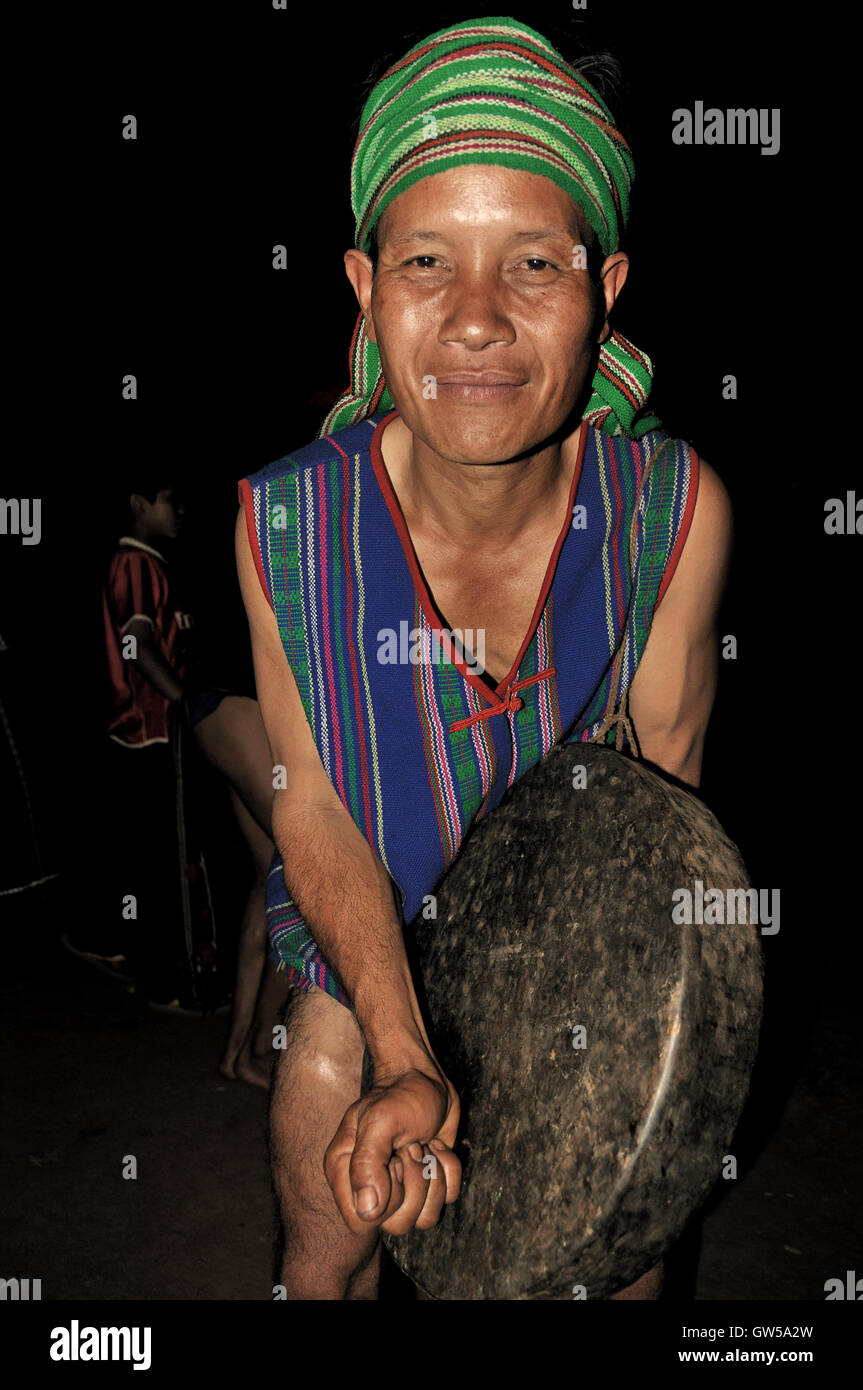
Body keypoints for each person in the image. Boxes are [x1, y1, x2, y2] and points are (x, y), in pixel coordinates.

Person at [236, 16, 732, 1299]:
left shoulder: (670, 517)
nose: (473, 321)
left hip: (561, 953)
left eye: (530, 264)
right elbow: (316, 811)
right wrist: (405, 1045)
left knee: (612, 1249)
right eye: (422, 262)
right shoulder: (286, 524)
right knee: (329, 1187)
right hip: (371, 942)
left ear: (603, 288)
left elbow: (657, 845)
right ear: (361, 287)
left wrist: (617, 1102)